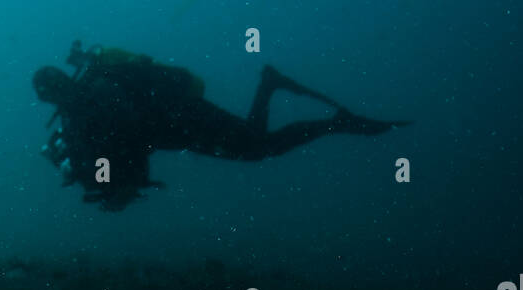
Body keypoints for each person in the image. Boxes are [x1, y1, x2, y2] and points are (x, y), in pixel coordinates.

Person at [34, 42, 410, 210]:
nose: (55, 100)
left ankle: (330, 121)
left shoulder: (97, 94)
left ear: (56, 91)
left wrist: (129, 181)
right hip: (182, 122)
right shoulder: (84, 103)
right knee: (256, 145)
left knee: (257, 147)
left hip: (185, 119)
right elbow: (123, 142)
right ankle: (274, 86)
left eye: (52, 93)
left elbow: (131, 134)